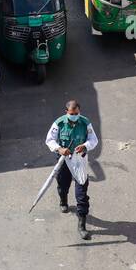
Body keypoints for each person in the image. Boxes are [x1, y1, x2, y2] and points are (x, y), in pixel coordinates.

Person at [45, 99, 99, 240]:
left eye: (76, 113)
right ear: (66, 112)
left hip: (79, 160)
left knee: (82, 194)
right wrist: (59, 149)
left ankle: (82, 225)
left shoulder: (85, 122)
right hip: (64, 161)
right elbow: (49, 140)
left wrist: (85, 145)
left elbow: (94, 140)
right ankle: (63, 200)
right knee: (63, 186)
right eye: (72, 113)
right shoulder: (59, 123)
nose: (74, 116)